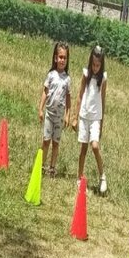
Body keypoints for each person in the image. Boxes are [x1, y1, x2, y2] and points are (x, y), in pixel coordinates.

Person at [74, 45, 108, 194]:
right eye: (93, 64)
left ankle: (102, 176)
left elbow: (103, 101)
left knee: (95, 146)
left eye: (98, 65)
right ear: (90, 62)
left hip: (95, 118)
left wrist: (102, 123)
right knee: (83, 149)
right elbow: (80, 95)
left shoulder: (103, 79)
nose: (95, 68)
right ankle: (79, 178)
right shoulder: (86, 74)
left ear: (101, 65)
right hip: (84, 116)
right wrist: (75, 117)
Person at [38, 42, 71, 178]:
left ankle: (52, 168)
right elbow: (45, 92)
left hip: (59, 117)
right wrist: (40, 109)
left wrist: (68, 115)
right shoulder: (51, 75)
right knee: (46, 141)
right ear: (55, 58)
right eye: (60, 57)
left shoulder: (67, 79)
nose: (62, 60)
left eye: (65, 58)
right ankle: (42, 165)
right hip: (49, 115)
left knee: (56, 143)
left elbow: (68, 98)